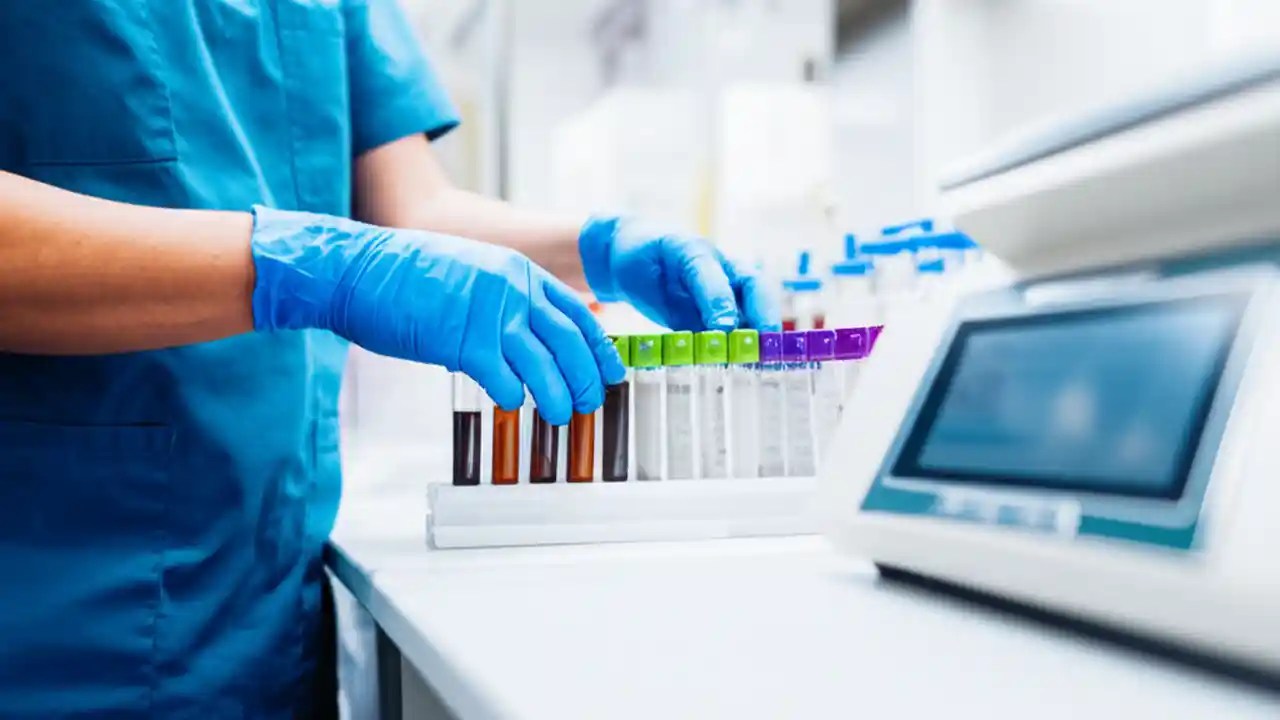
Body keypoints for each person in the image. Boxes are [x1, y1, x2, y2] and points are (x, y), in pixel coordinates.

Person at [0, 1, 777, 718]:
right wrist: (315, 265)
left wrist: (599, 249)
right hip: (55, 623)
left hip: (262, 608)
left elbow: (414, 214)